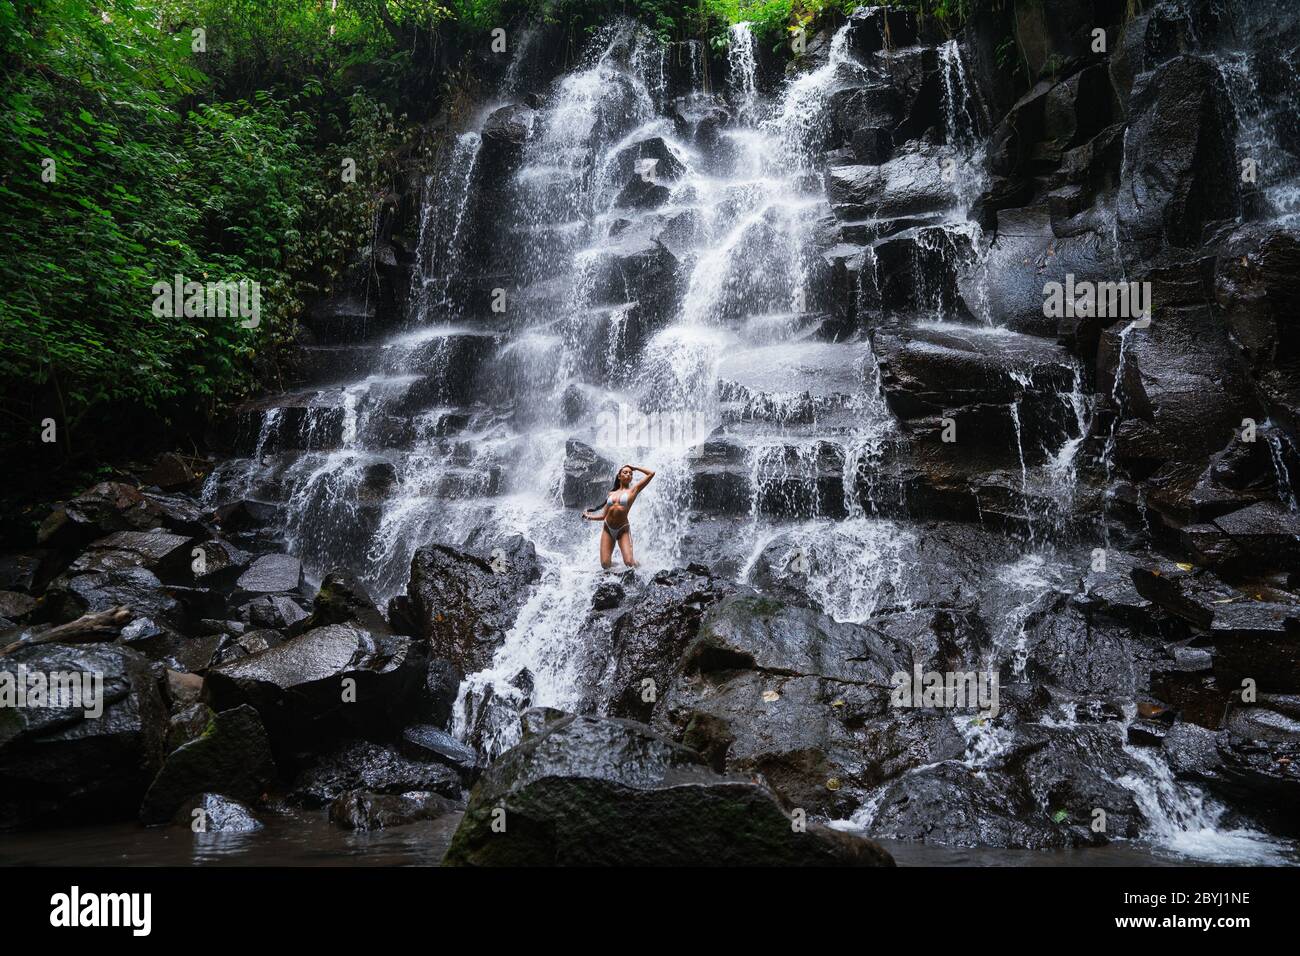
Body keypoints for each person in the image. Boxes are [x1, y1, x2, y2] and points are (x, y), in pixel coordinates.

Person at [582, 463, 654, 569]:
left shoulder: (633, 491)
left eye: (630, 473)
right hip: (608, 528)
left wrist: (635, 468)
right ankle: (617, 569)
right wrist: (589, 517)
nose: (628, 474)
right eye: (625, 472)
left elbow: (651, 473)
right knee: (605, 564)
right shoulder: (611, 493)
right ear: (619, 476)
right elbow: (603, 516)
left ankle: (640, 566)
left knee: (629, 563)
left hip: (622, 529)